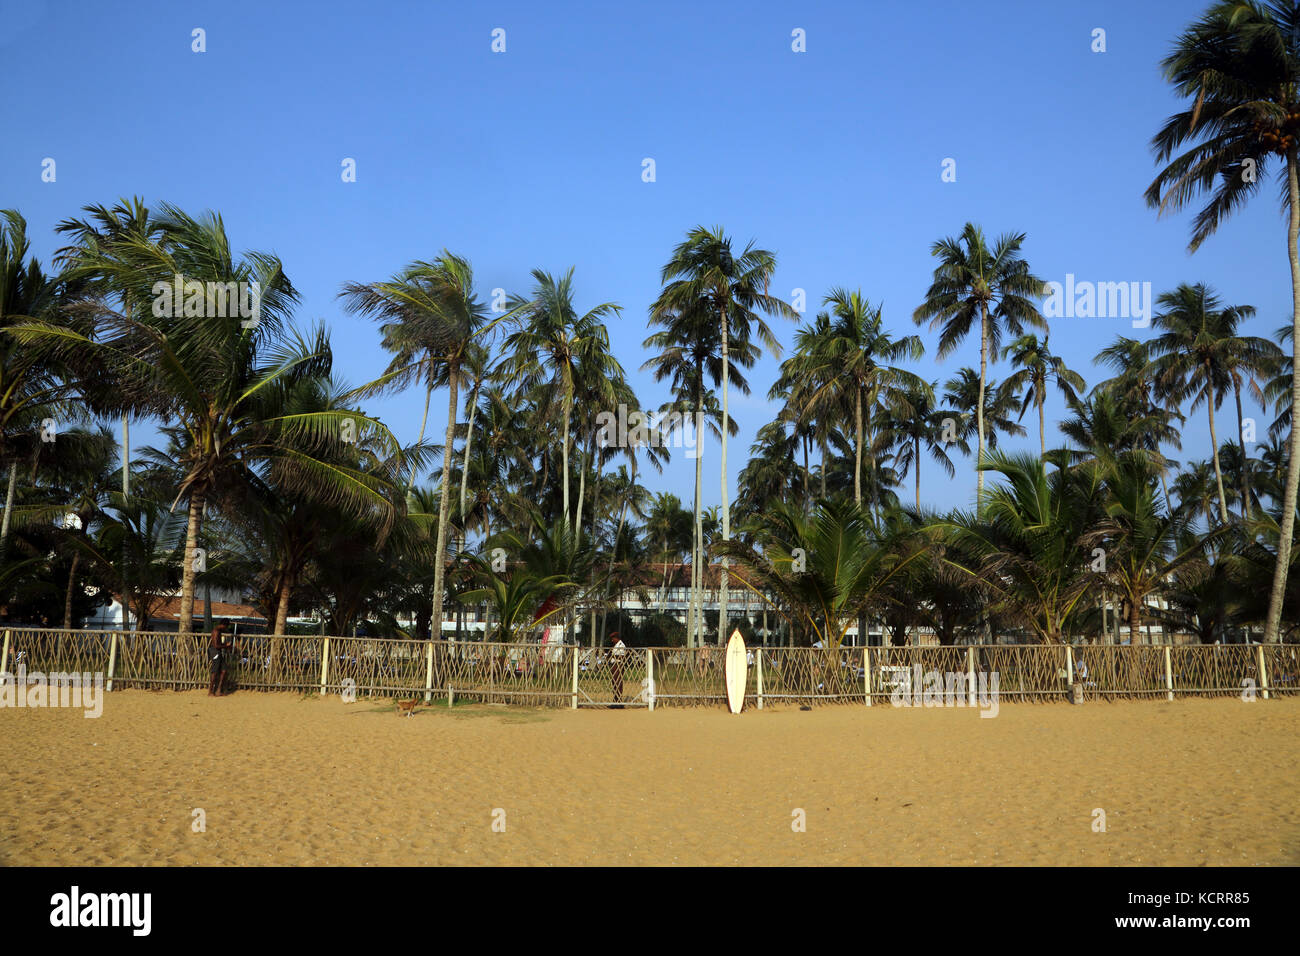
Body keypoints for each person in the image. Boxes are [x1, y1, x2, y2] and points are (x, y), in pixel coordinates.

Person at [207, 622, 235, 696]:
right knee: (214, 672)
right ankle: (210, 691)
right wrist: (226, 645)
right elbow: (216, 645)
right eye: (225, 627)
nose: (225, 629)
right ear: (223, 625)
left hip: (218, 652)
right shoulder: (216, 631)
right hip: (215, 652)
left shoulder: (218, 631)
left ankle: (218, 690)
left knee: (224, 670)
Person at [609, 632, 627, 702]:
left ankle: (618, 700)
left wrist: (613, 656)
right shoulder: (615, 646)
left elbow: (622, 657)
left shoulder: (621, 645)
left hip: (618, 665)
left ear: (616, 638)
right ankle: (615, 699)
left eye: (613, 638)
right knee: (614, 683)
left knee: (618, 683)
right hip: (614, 665)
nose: (612, 640)